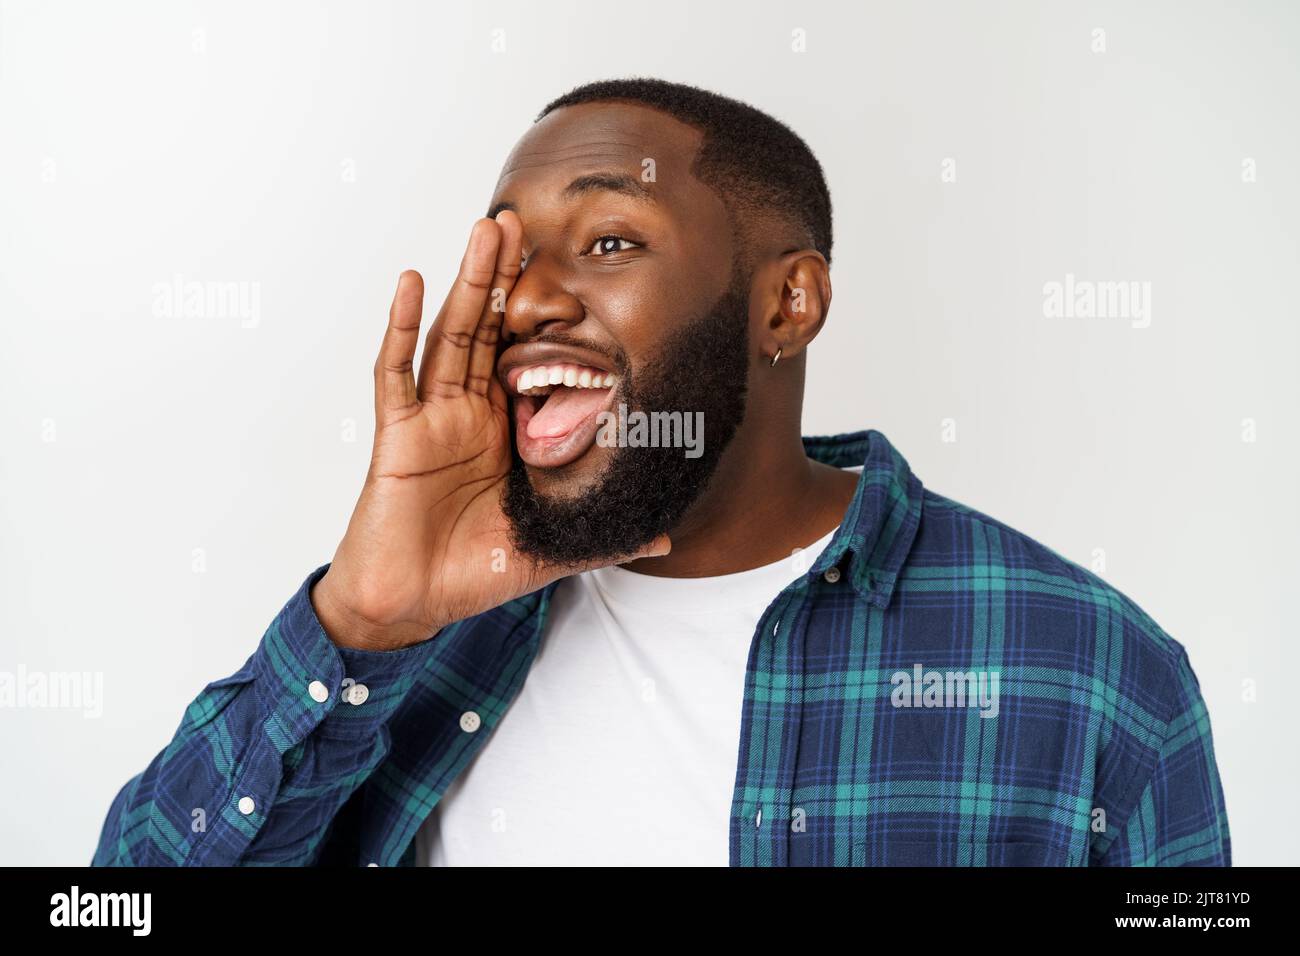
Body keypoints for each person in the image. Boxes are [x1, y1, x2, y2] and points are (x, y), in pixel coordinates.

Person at [92, 77, 1230, 867]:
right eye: (511, 249)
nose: (527, 296)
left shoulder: (1092, 667)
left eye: (610, 242)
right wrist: (360, 619)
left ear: (788, 302)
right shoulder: (399, 643)